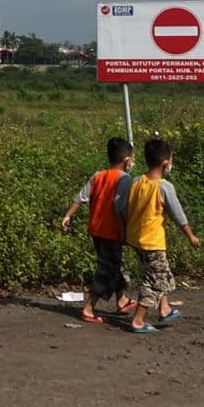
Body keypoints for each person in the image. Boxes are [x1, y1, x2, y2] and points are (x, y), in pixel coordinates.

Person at [115, 137, 201, 334]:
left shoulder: (136, 182)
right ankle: (138, 320)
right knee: (154, 279)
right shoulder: (164, 187)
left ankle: (165, 308)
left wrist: (125, 230)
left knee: (159, 272)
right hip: (152, 242)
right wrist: (191, 236)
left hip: (136, 239)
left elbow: (122, 208)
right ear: (165, 163)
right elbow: (178, 215)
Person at [60, 136, 136, 323]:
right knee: (107, 270)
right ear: (127, 160)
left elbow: (81, 197)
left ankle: (122, 300)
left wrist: (68, 215)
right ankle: (88, 309)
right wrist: (125, 231)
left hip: (96, 230)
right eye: (132, 159)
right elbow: (120, 208)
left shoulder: (97, 176)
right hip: (112, 232)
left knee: (116, 265)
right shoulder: (125, 179)